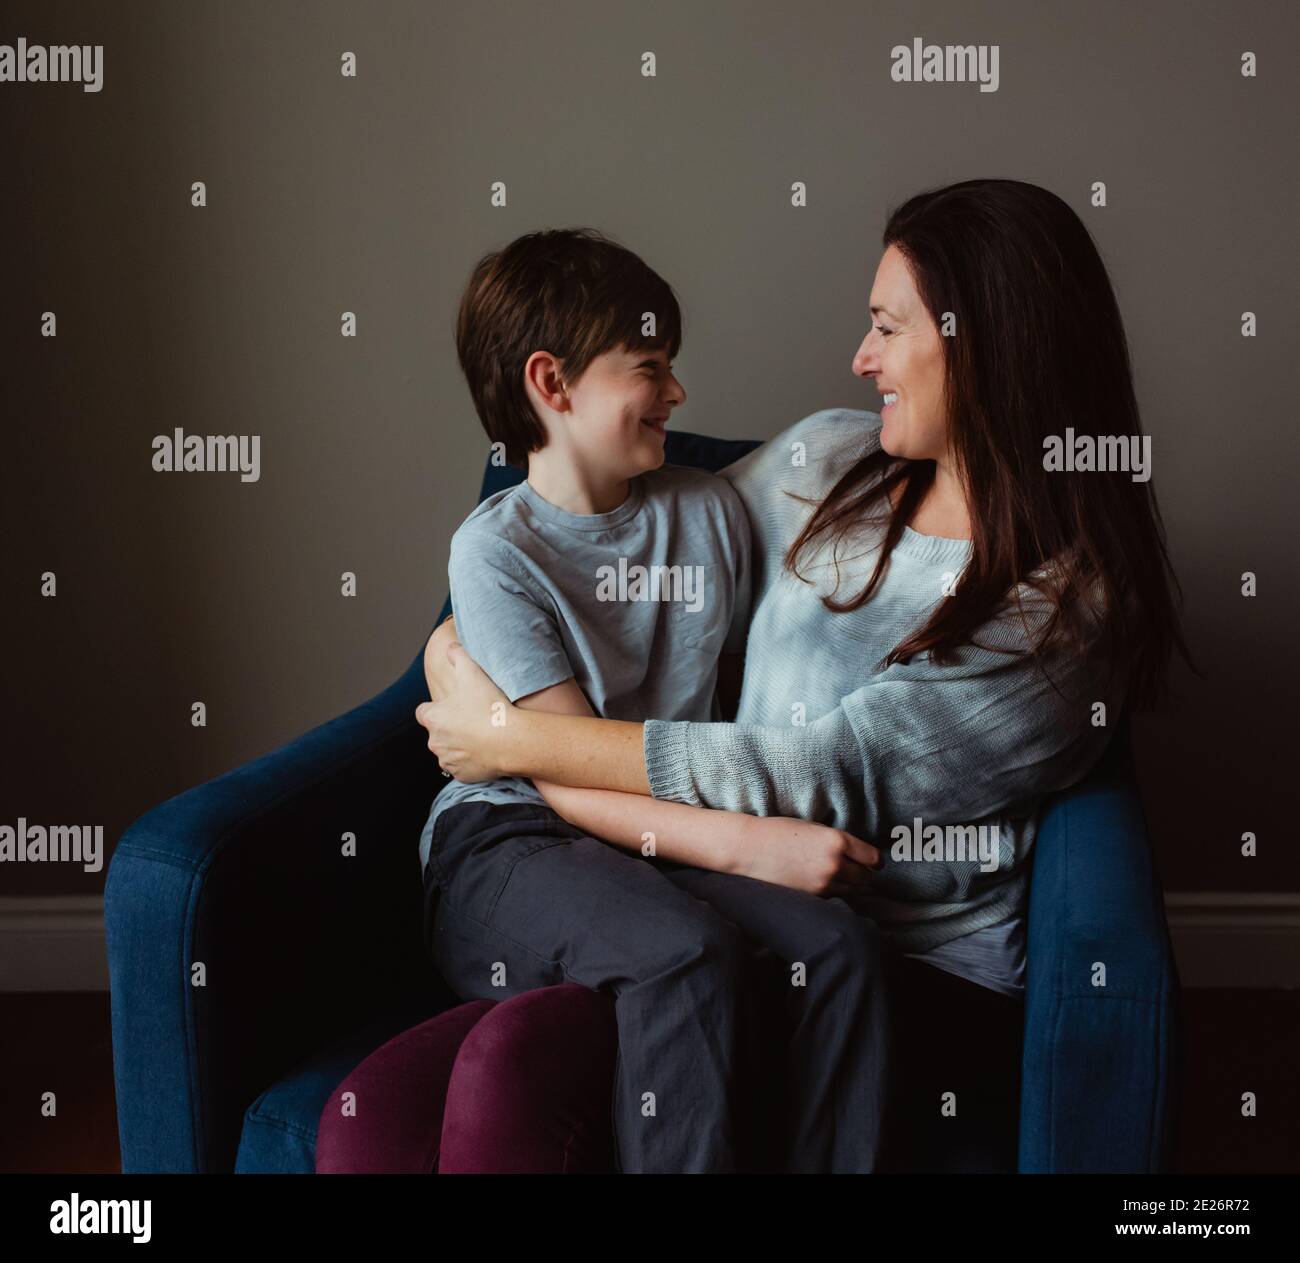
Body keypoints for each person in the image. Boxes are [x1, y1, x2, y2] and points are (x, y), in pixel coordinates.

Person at [417, 178, 1196, 1171]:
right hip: (696, 876)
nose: (860, 358)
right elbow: (593, 545)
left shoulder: (1062, 613)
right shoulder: (829, 460)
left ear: (986, 342)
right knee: (494, 1078)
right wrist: (449, 651)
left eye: (886, 329)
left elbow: (823, 773)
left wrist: (515, 742)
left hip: (886, 952)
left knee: (668, 1004)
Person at [416, 226, 894, 1175]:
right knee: (680, 952)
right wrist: (756, 845)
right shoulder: (496, 551)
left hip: (660, 835)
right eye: (650, 367)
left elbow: (744, 688)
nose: (677, 393)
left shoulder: (708, 513)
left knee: (841, 947)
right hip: (518, 837)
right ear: (551, 385)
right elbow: (560, 769)